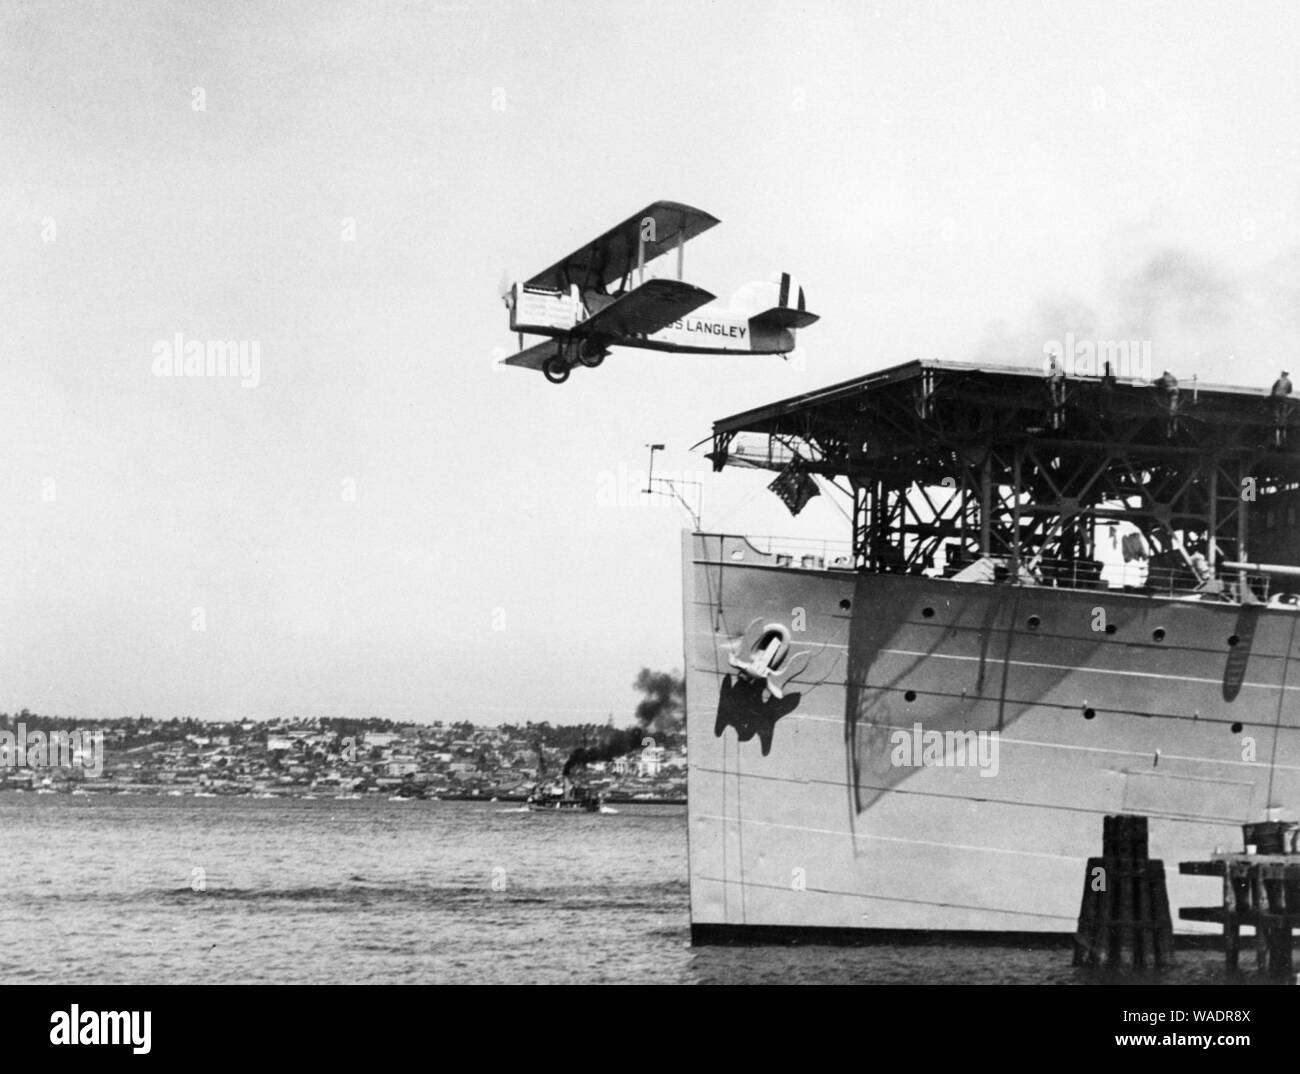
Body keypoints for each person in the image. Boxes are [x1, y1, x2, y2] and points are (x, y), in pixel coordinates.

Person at [1155, 370, 1179, 437]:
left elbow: (1156, 382)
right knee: (1173, 412)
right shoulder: (1173, 377)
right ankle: (1174, 429)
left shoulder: (1164, 378)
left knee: (1168, 416)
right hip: (1175, 394)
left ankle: (1169, 432)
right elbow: (1176, 383)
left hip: (1169, 394)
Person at [1271, 371, 1292, 446]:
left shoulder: (1278, 380)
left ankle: (1276, 419)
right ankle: (1282, 422)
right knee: (1283, 411)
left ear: (1282, 374)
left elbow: (1273, 388)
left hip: (1276, 397)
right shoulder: (1289, 382)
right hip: (1283, 398)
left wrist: (1272, 395)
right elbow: (1289, 391)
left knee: (1276, 409)